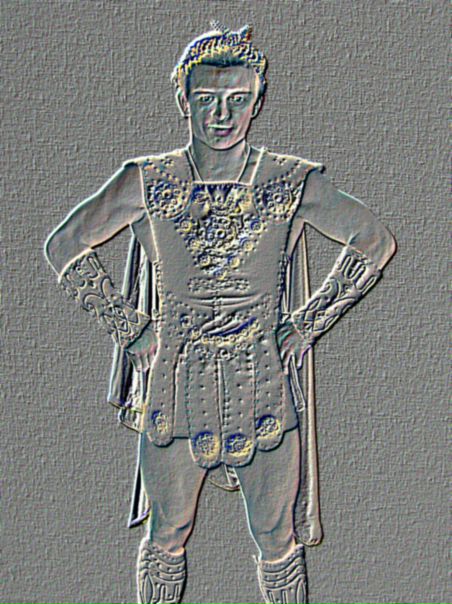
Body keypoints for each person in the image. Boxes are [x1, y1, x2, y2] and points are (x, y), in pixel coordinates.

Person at [44, 22, 396, 604]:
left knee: (277, 538)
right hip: (174, 381)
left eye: (237, 99)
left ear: (257, 101)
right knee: (168, 534)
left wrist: (308, 323)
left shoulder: (288, 180)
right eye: (207, 99)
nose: (222, 114)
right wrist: (129, 326)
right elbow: (65, 245)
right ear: (183, 100)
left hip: (263, 382)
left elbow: (374, 240)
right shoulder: (149, 180)